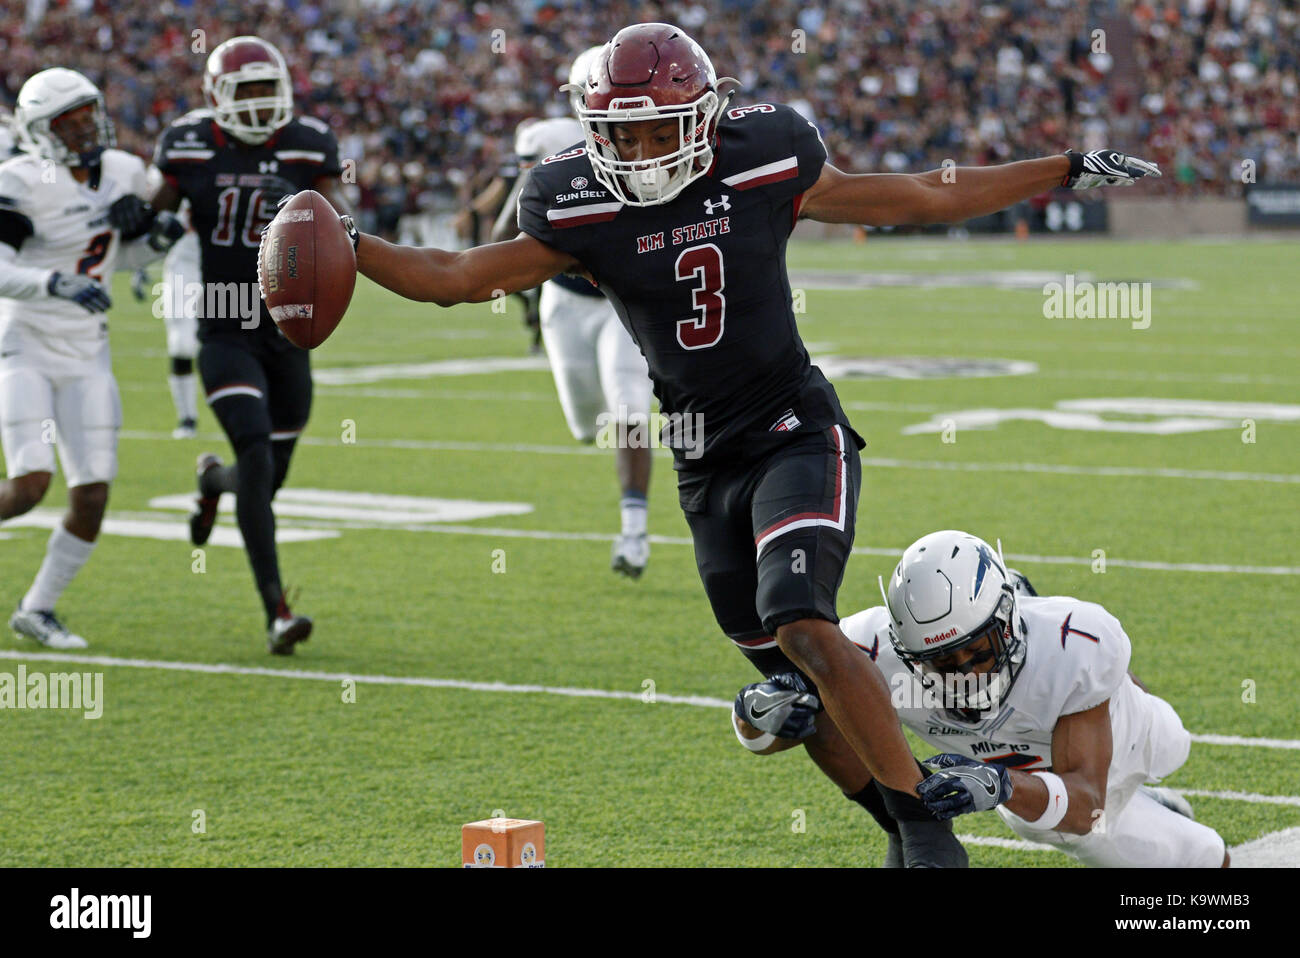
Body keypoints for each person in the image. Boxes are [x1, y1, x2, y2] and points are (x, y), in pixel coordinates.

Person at [313, 22, 1159, 863]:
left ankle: (930, 834)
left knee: (803, 627)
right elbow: (459, 280)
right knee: (795, 697)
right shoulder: (574, 197)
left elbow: (921, 196)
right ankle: (900, 828)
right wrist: (352, 246)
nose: (641, 151)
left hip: (794, 429)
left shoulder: (765, 156)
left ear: (705, 119)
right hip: (702, 460)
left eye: (658, 131)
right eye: (622, 134)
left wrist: (1064, 167)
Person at [736, 530, 1228, 867]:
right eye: (944, 662)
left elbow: (1084, 800)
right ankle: (1146, 809)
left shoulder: (1072, 644)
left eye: (978, 651)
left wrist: (997, 783)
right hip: (1039, 783)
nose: (966, 674)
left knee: (1169, 744)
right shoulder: (867, 651)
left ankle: (1138, 781)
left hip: (1127, 738)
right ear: (907, 652)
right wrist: (757, 719)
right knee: (1206, 861)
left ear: (1009, 619)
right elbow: (772, 735)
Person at [149, 36, 350, 654]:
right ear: (217, 96)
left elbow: (337, 218)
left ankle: (214, 485)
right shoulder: (187, 144)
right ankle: (278, 613)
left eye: (269, 88)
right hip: (223, 324)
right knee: (259, 457)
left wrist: (345, 235)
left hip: (288, 328)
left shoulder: (309, 142)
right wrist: (146, 223)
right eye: (248, 90)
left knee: (268, 476)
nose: (262, 102)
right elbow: (159, 216)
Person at [0, 68, 182, 648]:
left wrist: (154, 239)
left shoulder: (125, 171)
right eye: (69, 121)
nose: (85, 128)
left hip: (89, 349)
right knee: (29, 485)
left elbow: (115, 263)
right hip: (25, 343)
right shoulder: (20, 181)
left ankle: (38, 607)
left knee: (94, 492)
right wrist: (53, 284)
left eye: (88, 114)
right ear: (40, 132)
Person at [488, 47, 656, 578]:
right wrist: (527, 302)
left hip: (620, 303)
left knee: (630, 412)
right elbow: (503, 237)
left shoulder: (654, 147)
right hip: (564, 300)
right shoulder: (553, 147)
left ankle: (634, 534)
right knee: (587, 426)